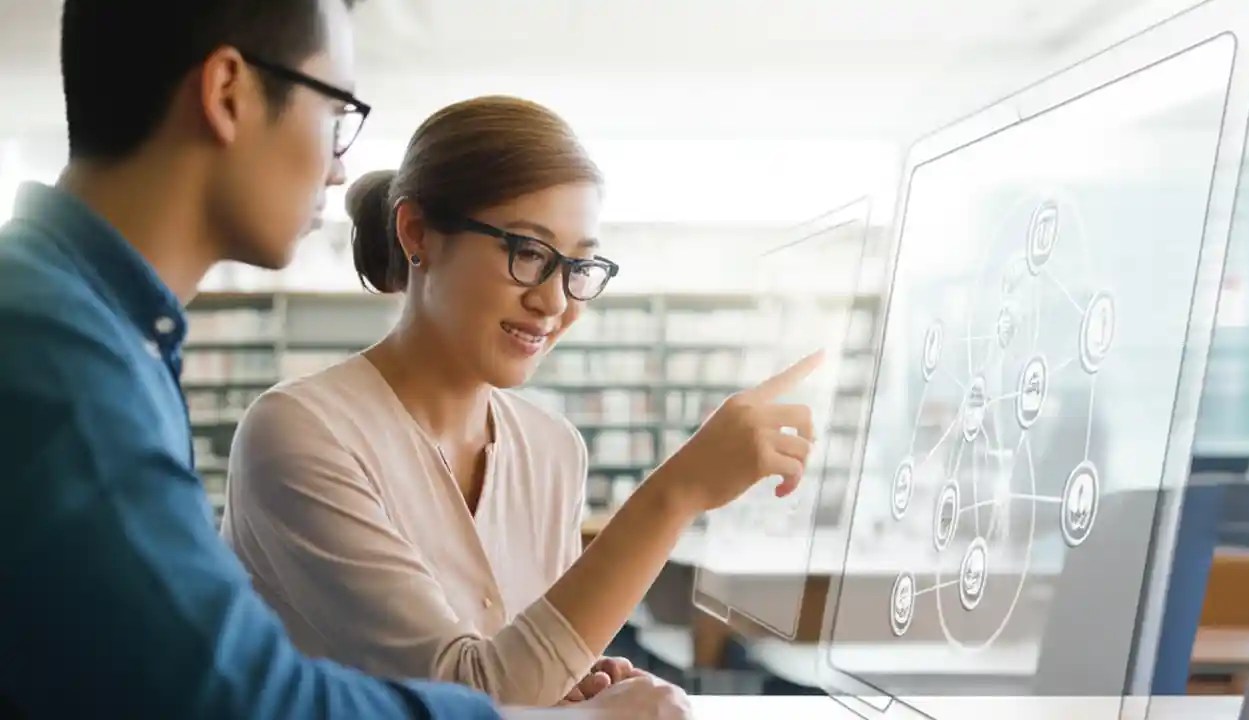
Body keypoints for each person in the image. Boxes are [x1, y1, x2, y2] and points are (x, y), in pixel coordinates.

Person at [0, 0, 759, 717]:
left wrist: (558, 694)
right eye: (334, 111)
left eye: (578, 266)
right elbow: (237, 696)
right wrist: (678, 491)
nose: (338, 169)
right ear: (228, 92)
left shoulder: (103, 341)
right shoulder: (61, 361)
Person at [219, 93, 823, 708]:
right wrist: (678, 494)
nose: (555, 301)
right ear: (416, 232)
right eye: (528, 253)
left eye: (580, 266)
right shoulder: (299, 432)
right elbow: (474, 696)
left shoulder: (553, 448)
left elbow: (523, 679)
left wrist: (568, 686)